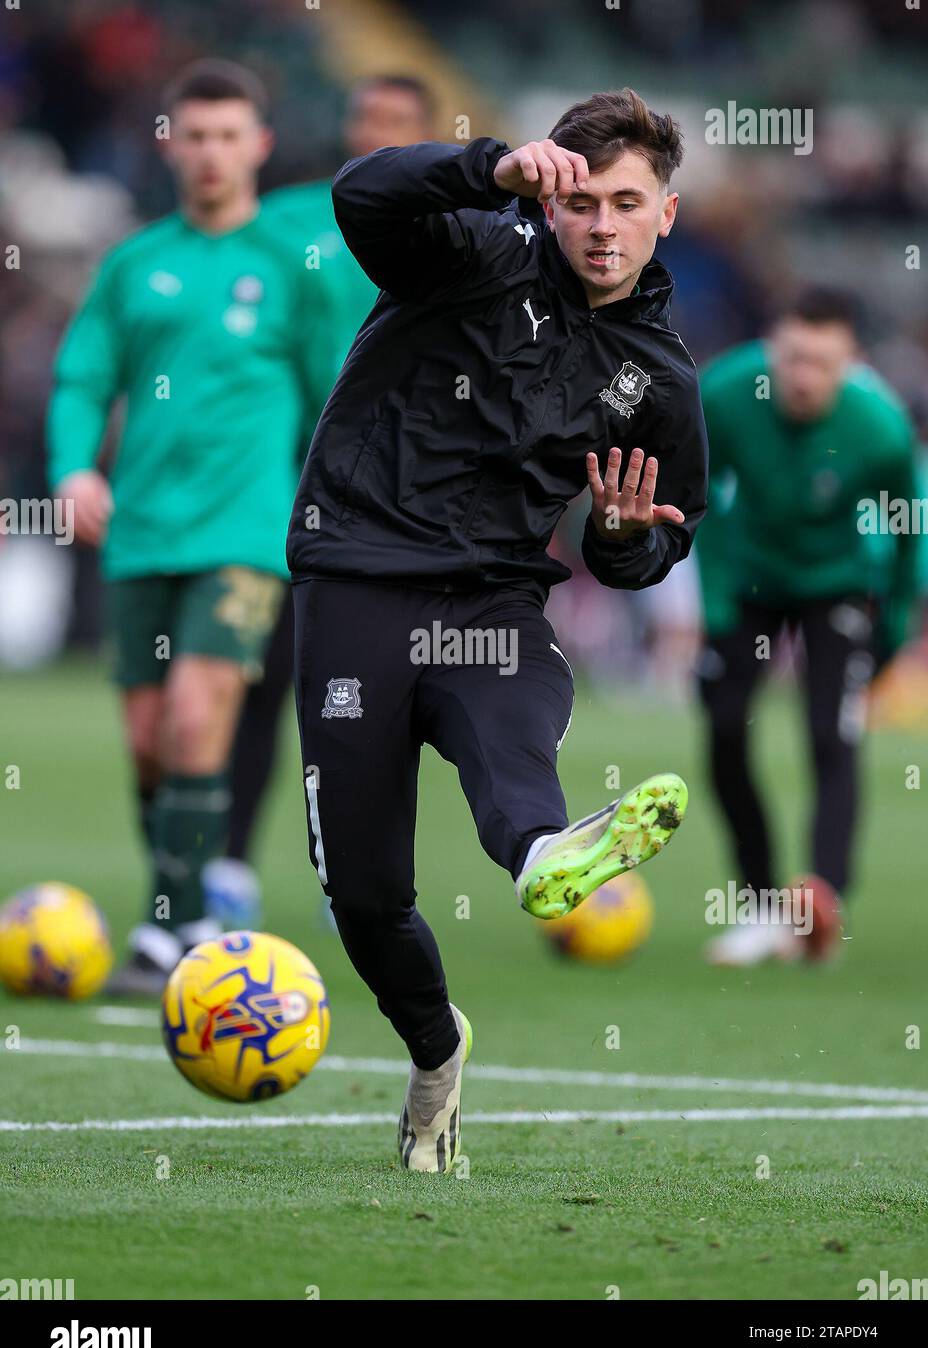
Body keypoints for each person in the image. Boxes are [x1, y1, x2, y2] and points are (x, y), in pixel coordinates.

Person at [287, 88, 708, 1172]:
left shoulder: (658, 381)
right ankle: (436, 1051)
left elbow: (660, 542)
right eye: (585, 203)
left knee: (508, 739)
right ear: (555, 201)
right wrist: (486, 169)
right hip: (361, 588)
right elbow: (361, 196)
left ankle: (542, 857)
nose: (603, 226)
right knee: (366, 896)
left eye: (629, 203)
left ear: (668, 211)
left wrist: (620, 539)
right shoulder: (473, 251)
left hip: (493, 604)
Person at [47, 59, 353, 993]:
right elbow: (82, 378)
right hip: (142, 531)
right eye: (196, 135)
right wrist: (70, 468)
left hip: (247, 532)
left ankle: (170, 928)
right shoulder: (136, 265)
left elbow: (332, 399)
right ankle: (188, 905)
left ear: (258, 145)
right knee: (147, 740)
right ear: (171, 145)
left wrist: (330, 513)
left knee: (194, 714)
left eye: (230, 136)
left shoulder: (291, 269)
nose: (212, 153)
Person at [215, 74, 439, 925]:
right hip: (294, 494)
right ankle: (228, 865)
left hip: (412, 500)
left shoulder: (470, 234)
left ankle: (372, 876)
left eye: (396, 127)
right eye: (365, 121)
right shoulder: (282, 224)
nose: (375, 136)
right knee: (267, 677)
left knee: (390, 694)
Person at [696, 288, 919, 967]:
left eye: (822, 363)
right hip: (750, 575)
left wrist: (894, 630)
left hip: (838, 581)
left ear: (850, 361)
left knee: (832, 732)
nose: (803, 377)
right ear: (772, 348)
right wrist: (715, 605)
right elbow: (694, 494)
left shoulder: (880, 429)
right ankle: (762, 904)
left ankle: (818, 905)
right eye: (793, 359)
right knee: (727, 727)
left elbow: (910, 534)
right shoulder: (724, 395)